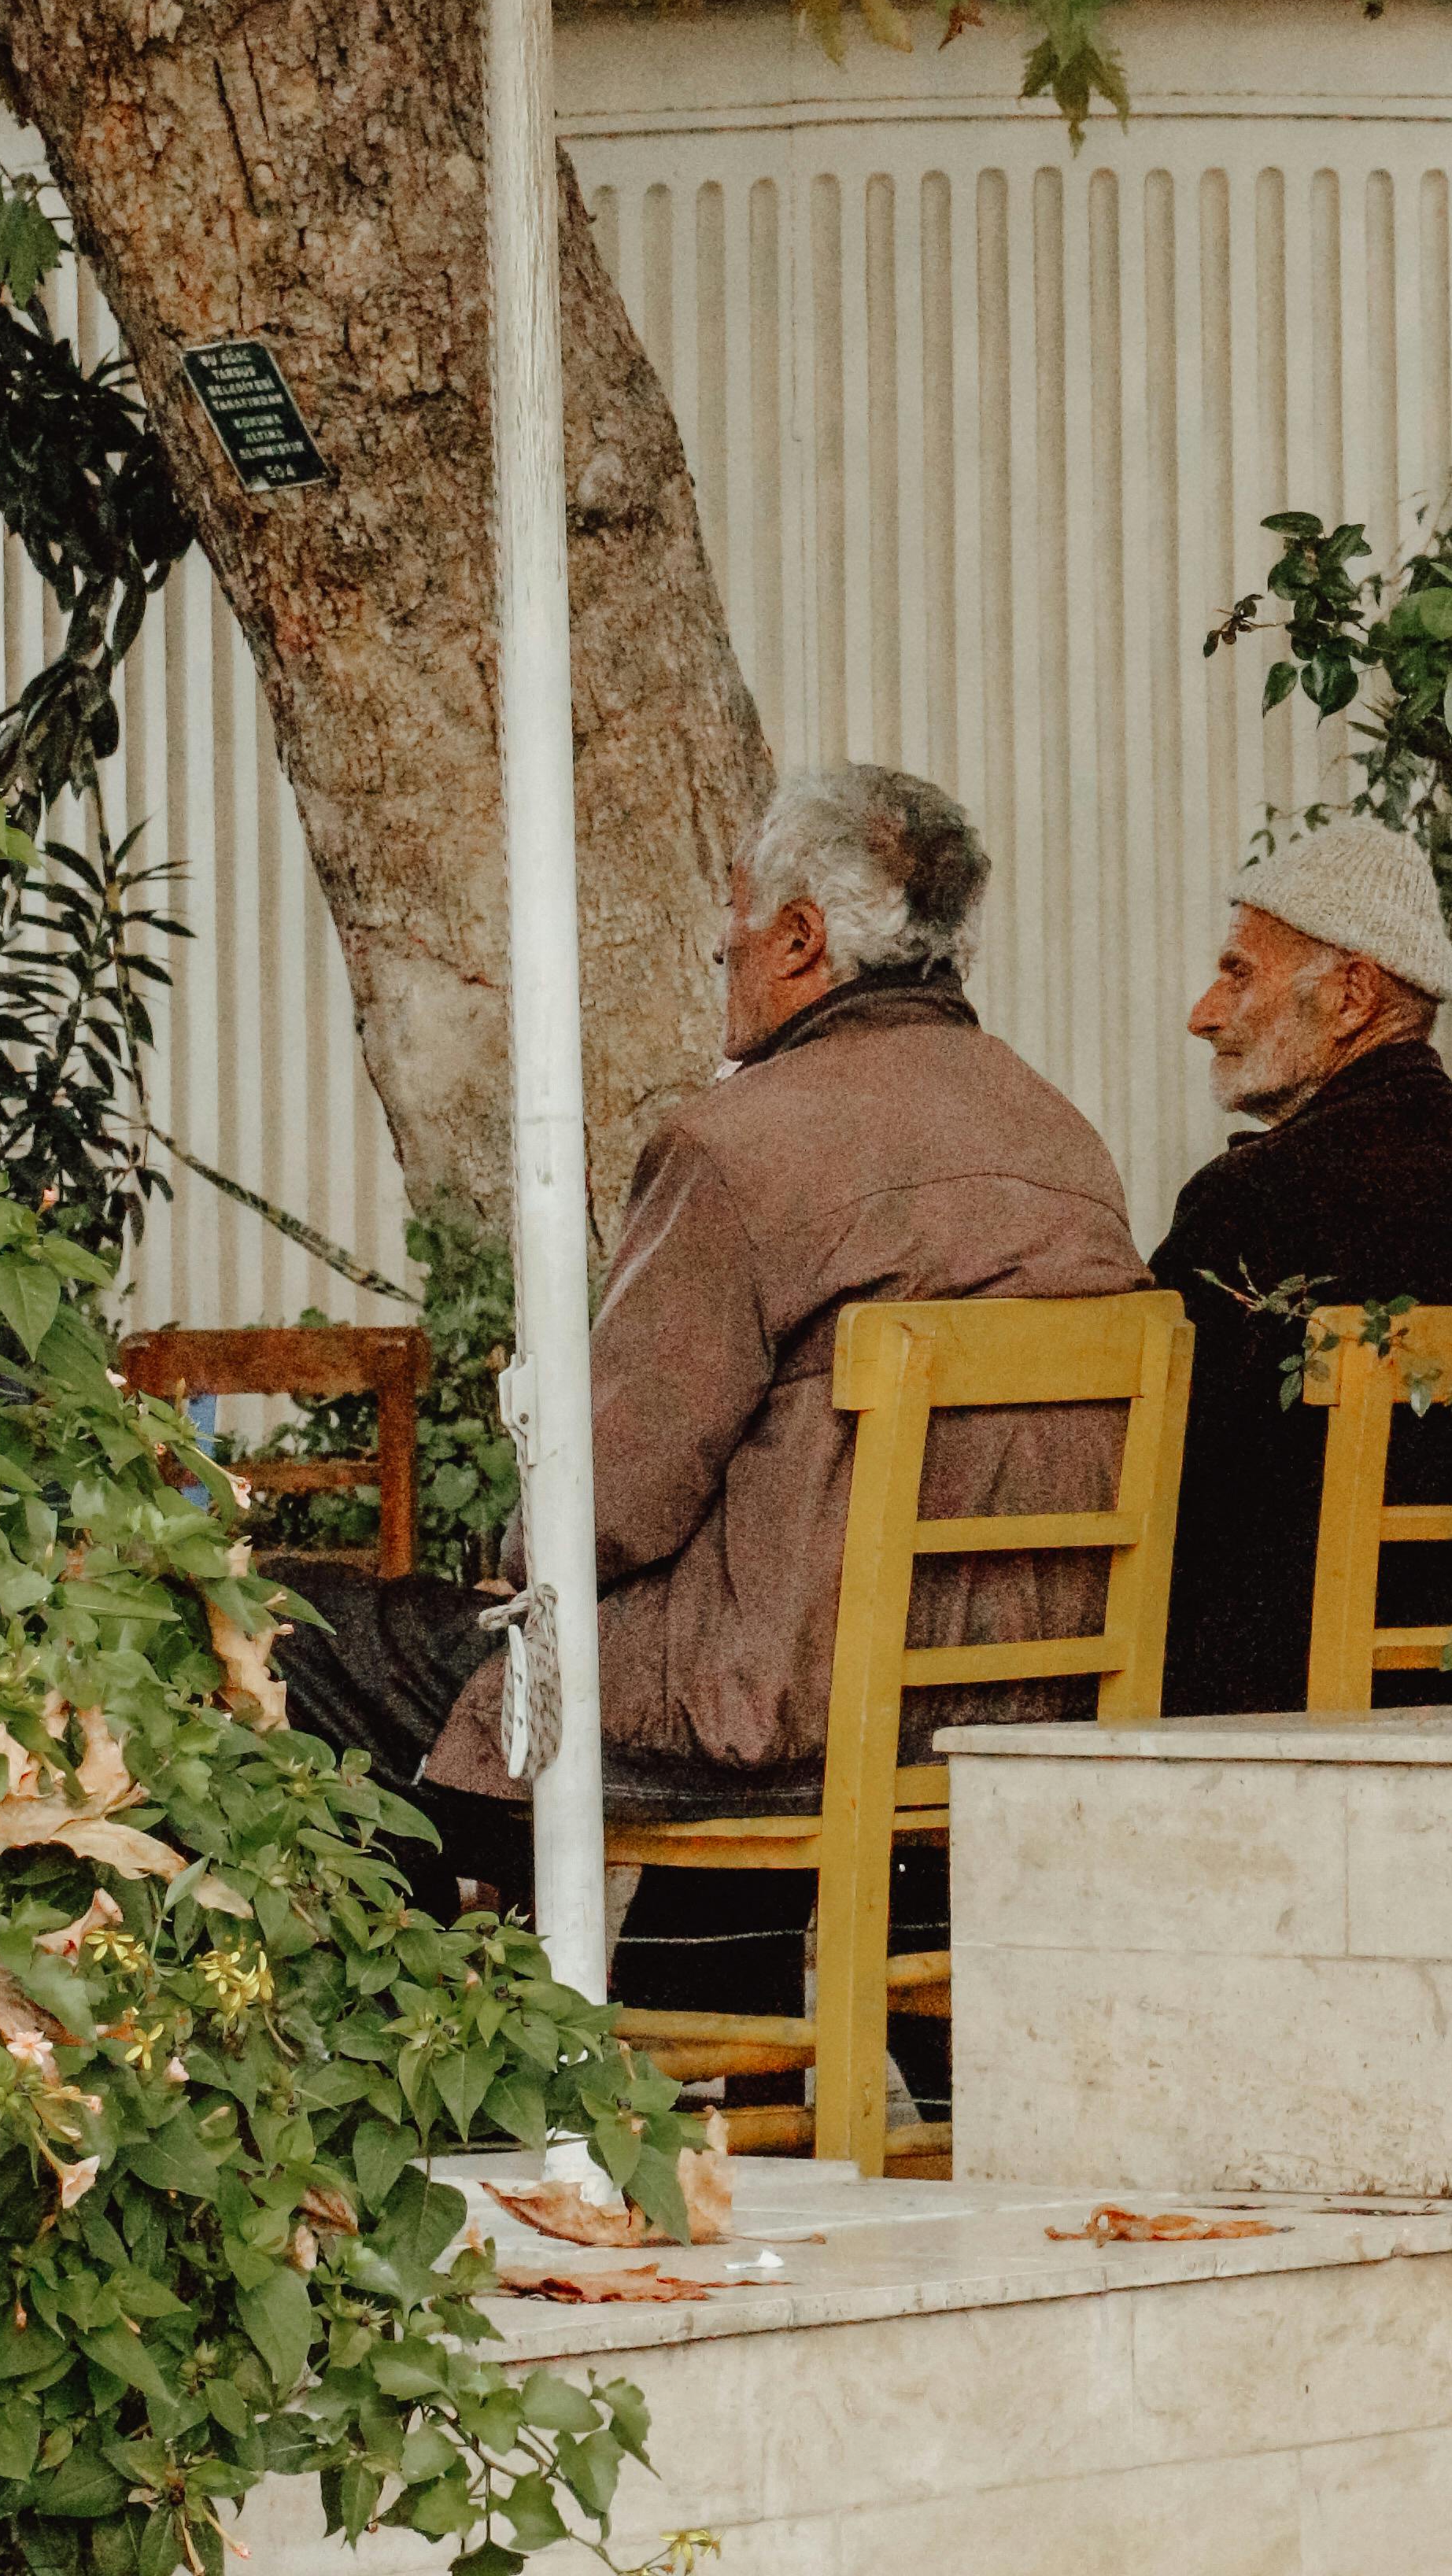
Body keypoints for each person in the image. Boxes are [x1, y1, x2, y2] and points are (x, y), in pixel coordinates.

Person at [272, 765, 1141, 2070]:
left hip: (785, 1709)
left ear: (800, 938)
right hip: (1024, 1697)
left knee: (298, 1636)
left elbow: (602, 1502)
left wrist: (510, 1557)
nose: (720, 961)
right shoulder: (1068, 1142)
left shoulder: (739, 1145)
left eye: (729, 931)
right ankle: (705, 2079)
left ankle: (417, 2093)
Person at [1148, 810, 1452, 1716]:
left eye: (1238, 973)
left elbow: (1148, 1476)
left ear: (1352, 996)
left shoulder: (1254, 1203)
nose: (1203, 1015)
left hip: (1278, 1710)